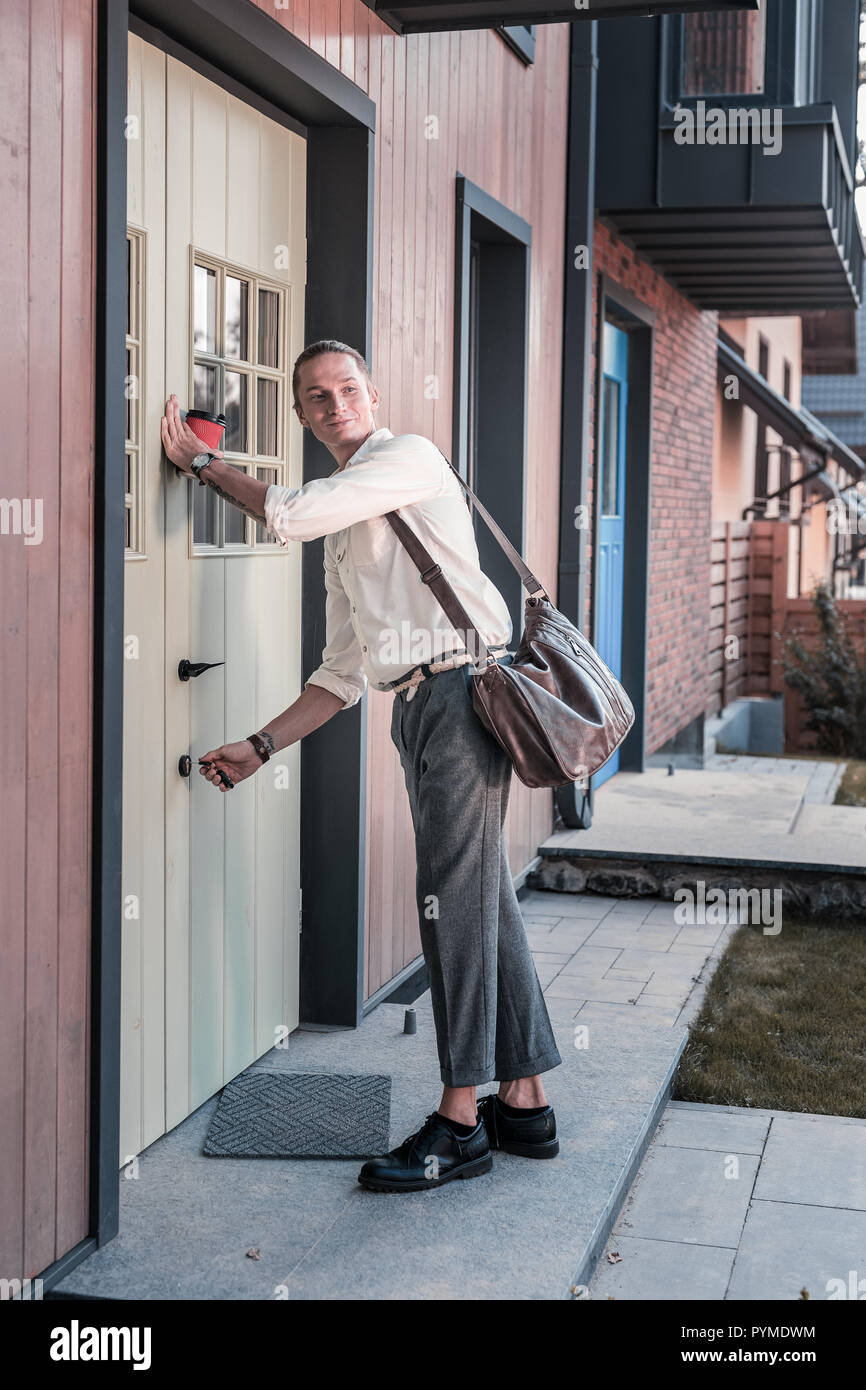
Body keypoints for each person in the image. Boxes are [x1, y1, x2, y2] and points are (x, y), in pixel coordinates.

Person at [160, 339, 562, 1193]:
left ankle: (460, 1123)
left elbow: (291, 510)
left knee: (451, 908)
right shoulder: (344, 530)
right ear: (303, 416)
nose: (335, 404)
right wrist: (262, 744)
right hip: (417, 709)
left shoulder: (405, 459)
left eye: (346, 389)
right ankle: (523, 1104)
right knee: (479, 895)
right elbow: (342, 673)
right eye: (316, 397)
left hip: (464, 700)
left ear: (373, 397)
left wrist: (205, 465)